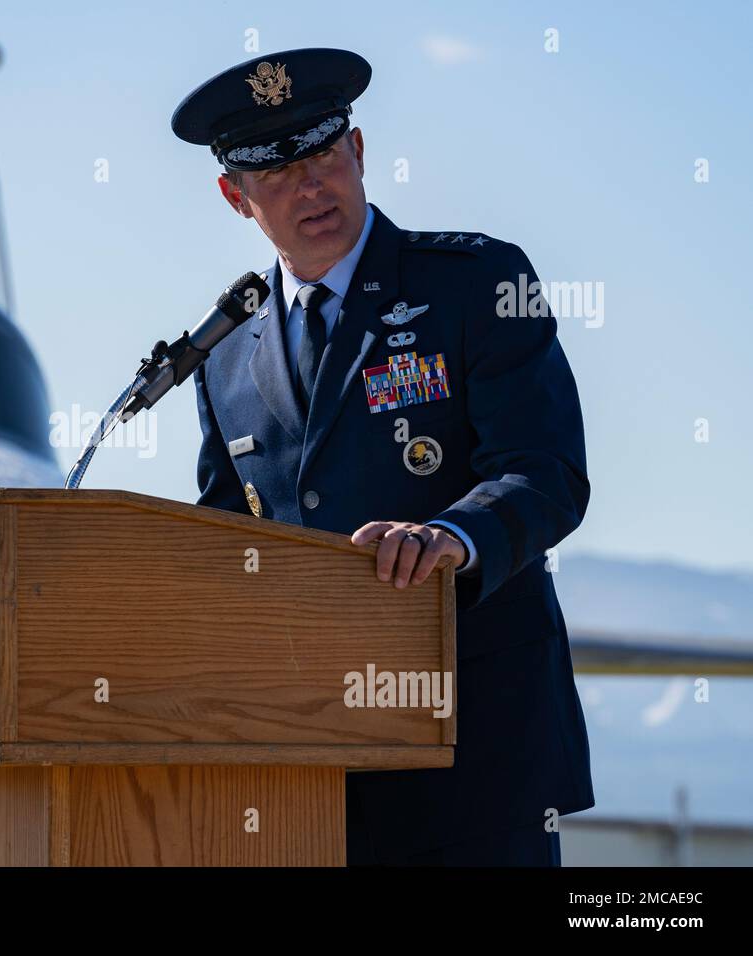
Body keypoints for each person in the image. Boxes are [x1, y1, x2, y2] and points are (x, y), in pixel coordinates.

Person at [172, 47, 593, 865]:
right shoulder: (222, 356)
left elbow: (547, 470)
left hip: (476, 748)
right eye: (278, 170)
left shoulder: (476, 281)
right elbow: (225, 545)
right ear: (235, 196)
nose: (312, 185)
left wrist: (451, 538)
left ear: (359, 152)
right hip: (305, 772)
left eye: (325, 153)